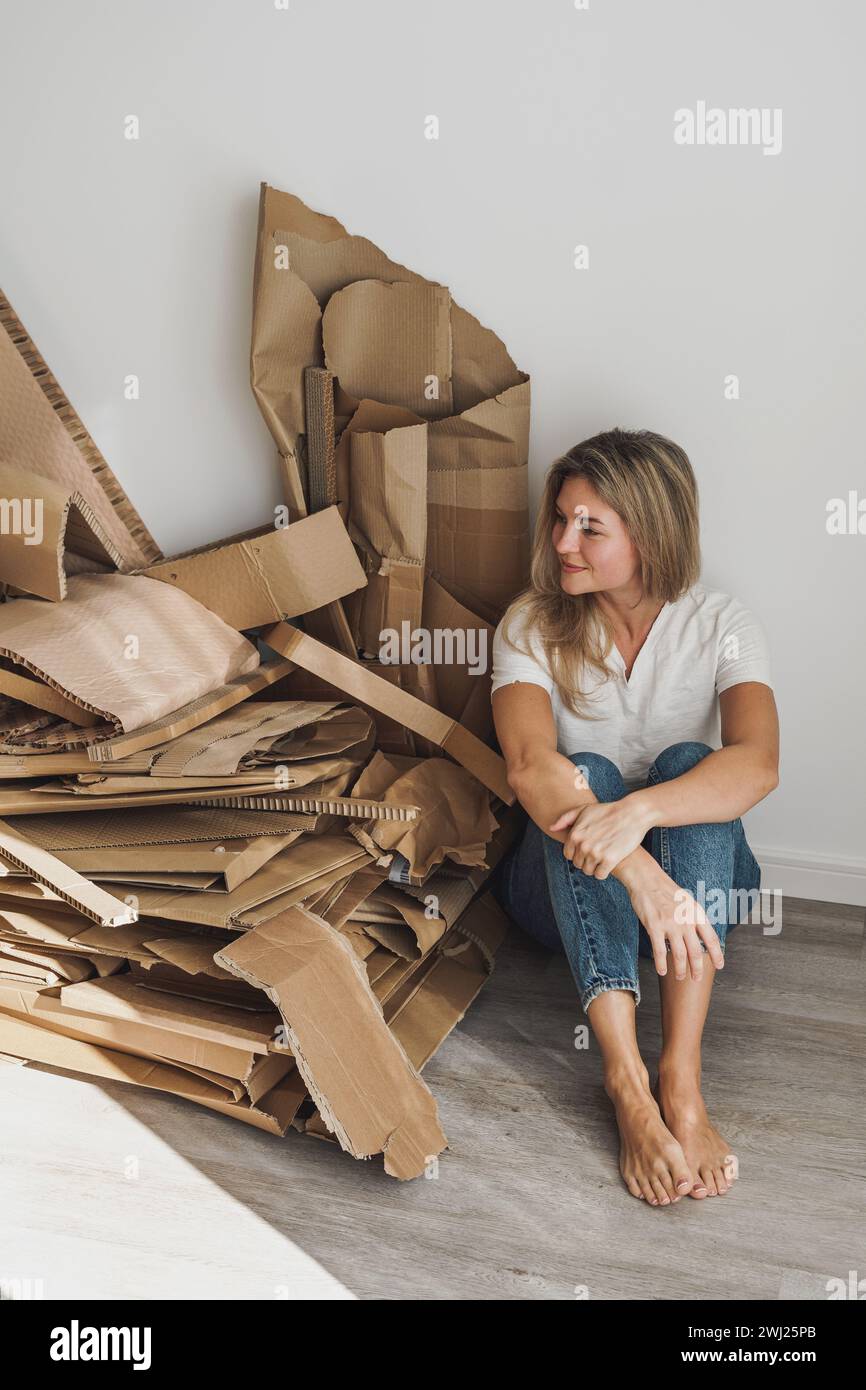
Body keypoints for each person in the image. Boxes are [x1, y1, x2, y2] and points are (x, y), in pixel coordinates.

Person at [490, 428, 779, 1207]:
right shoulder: (529, 623)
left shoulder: (722, 622)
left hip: (697, 883)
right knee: (583, 775)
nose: (561, 543)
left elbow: (757, 763)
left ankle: (680, 1078)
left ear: (650, 534)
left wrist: (643, 813)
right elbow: (528, 766)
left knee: (694, 763)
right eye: (560, 520)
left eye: (589, 527)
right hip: (562, 894)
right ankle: (626, 1079)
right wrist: (640, 874)